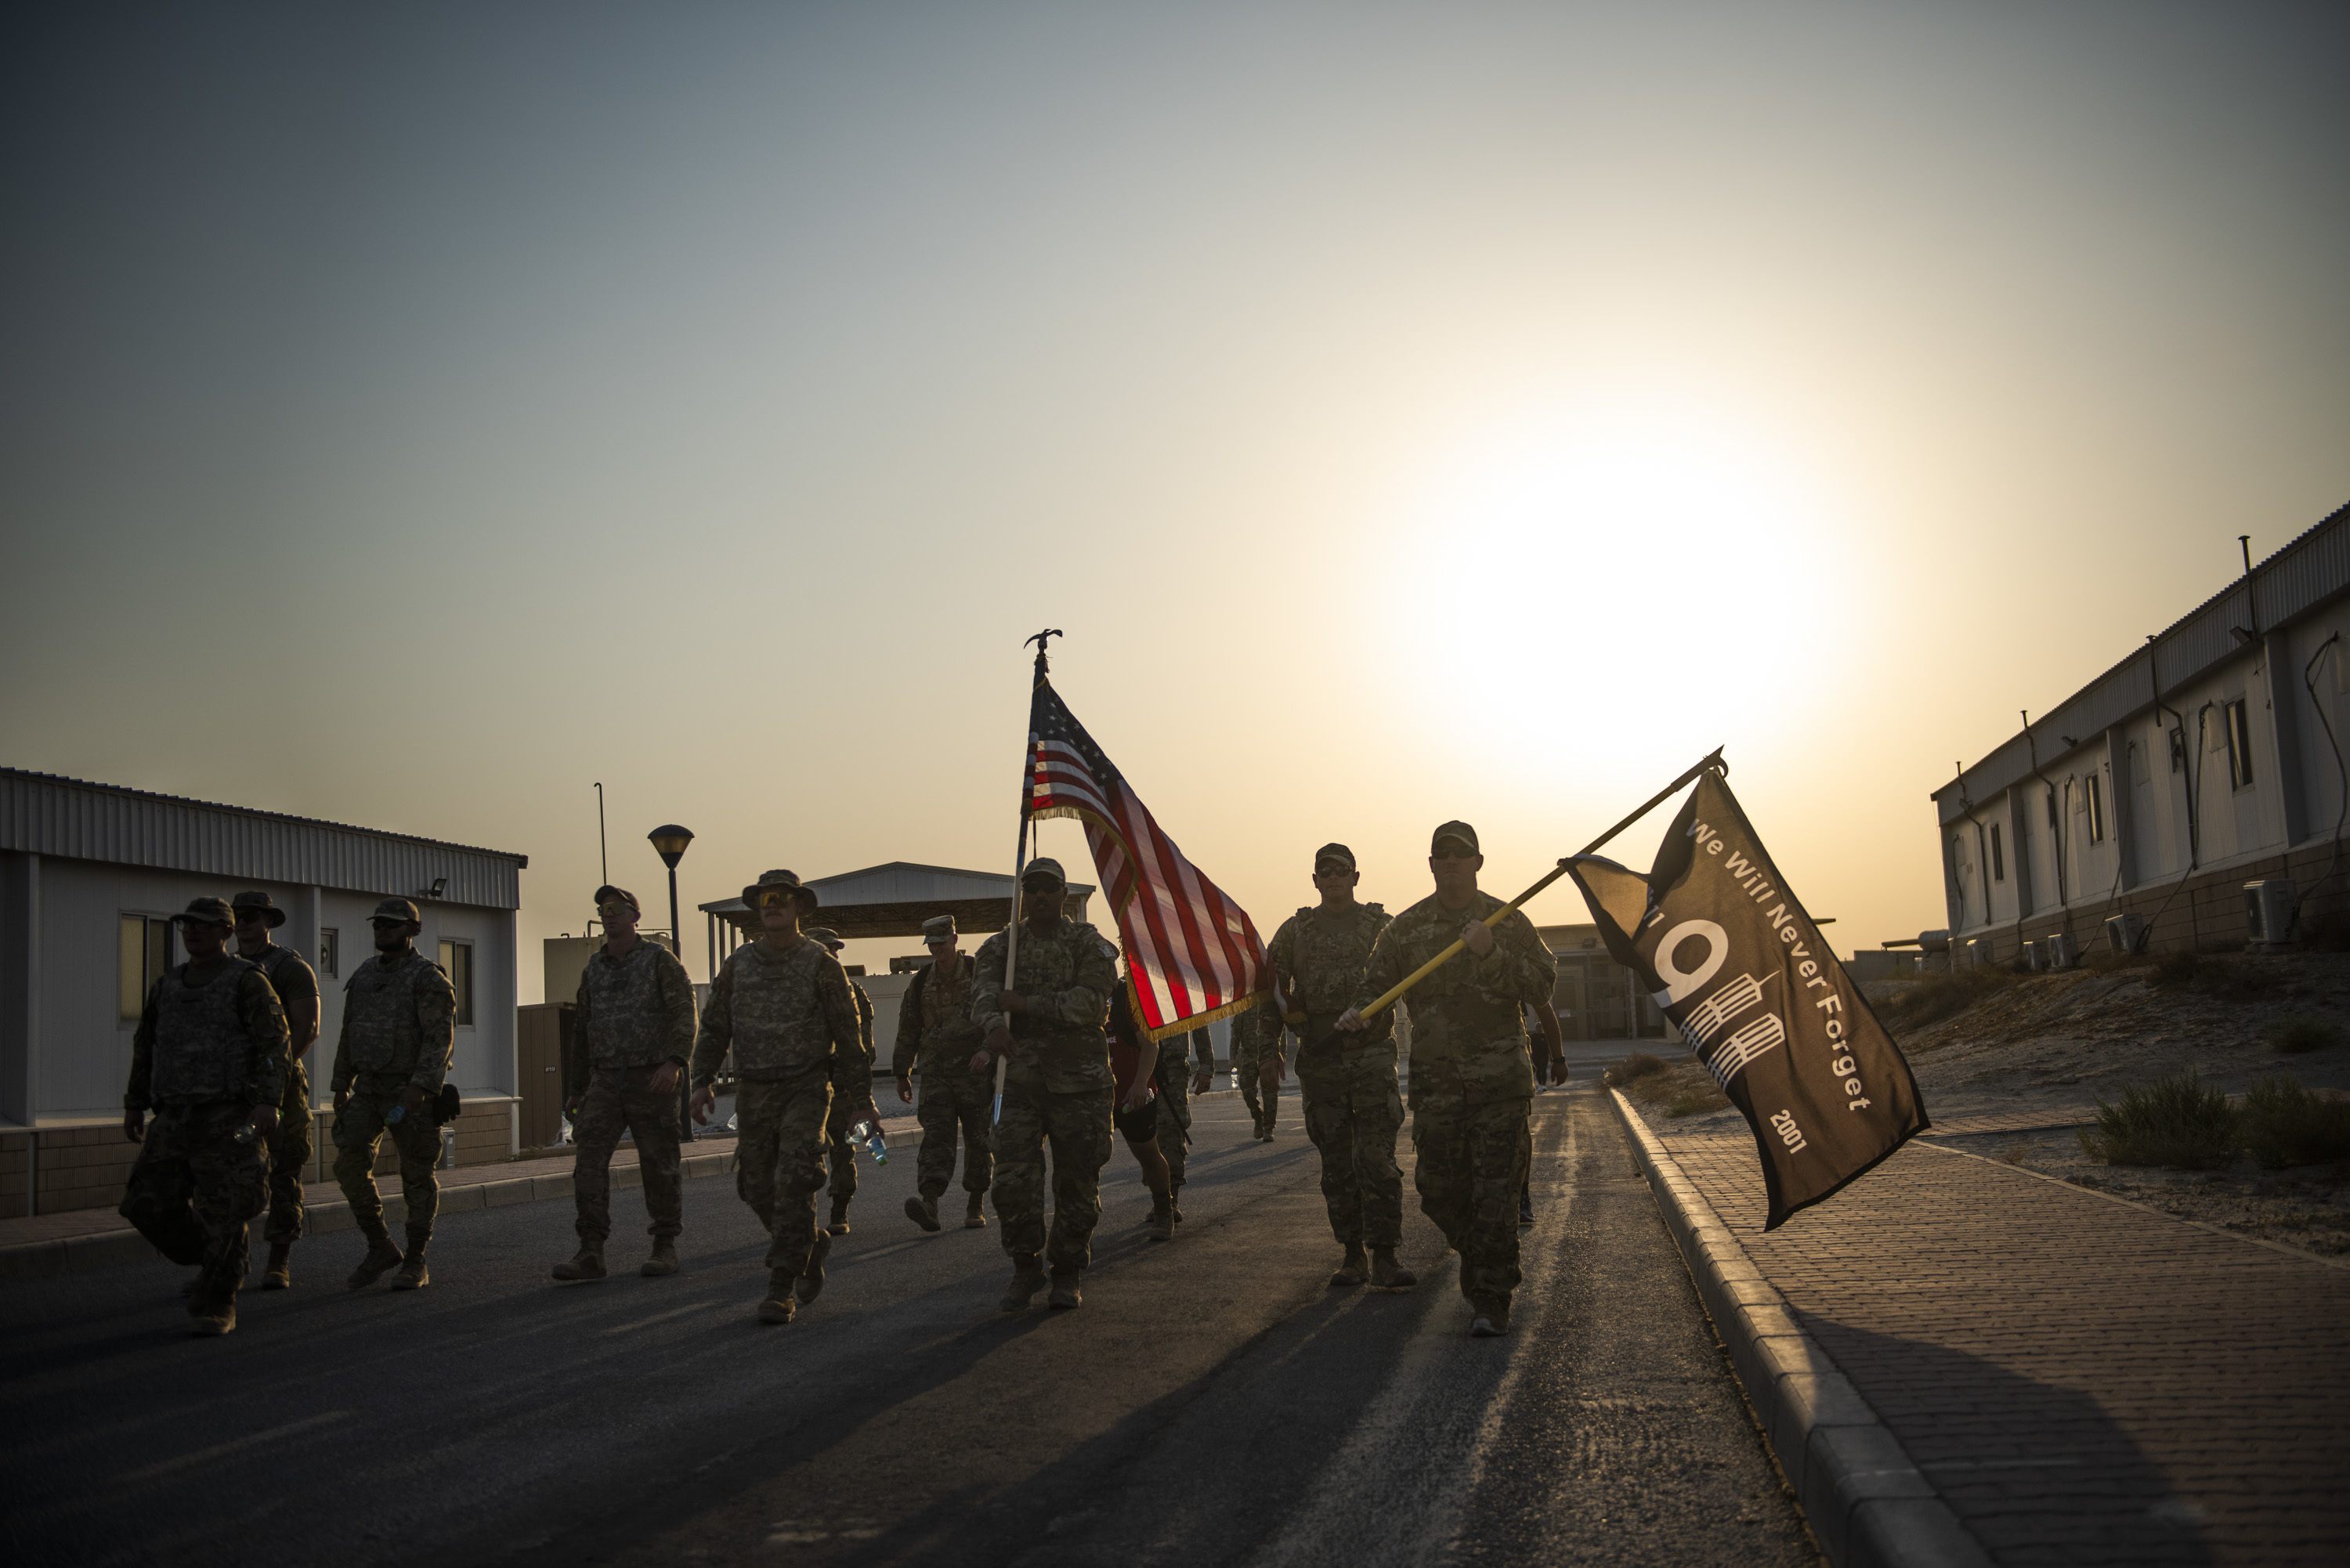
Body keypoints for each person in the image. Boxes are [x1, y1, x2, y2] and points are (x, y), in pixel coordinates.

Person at [1338, 822, 1554, 1337]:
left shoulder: (1507, 920)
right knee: (1436, 1188)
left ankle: (1491, 1298)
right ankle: (1485, 1256)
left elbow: (1543, 984)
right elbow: (1375, 989)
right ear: (1431, 864)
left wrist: (1491, 953)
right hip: (1436, 1086)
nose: (1452, 862)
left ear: (1478, 862)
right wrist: (1358, 1016)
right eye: (1443, 855)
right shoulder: (1405, 930)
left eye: (1462, 854)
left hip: (1500, 1084)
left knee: (1497, 1194)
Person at [689, 870, 862, 1325]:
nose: (772, 904)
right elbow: (714, 1026)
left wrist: (861, 1101)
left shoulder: (821, 963)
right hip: (753, 1089)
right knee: (755, 1187)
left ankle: (780, 1287)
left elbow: (849, 1036)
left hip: (806, 1085)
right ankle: (808, 1244)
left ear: (799, 906)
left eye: (781, 898)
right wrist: (701, 1079)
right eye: (765, 898)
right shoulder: (739, 964)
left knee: (794, 1181)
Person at [119, 898, 291, 1336]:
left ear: (225, 933)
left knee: (226, 1210)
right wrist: (135, 1102)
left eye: (203, 925)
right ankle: (221, 1255)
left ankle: (218, 1301)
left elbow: (275, 1044)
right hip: (174, 1114)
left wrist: (268, 1102)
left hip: (229, 1113)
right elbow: (146, 1044)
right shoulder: (168, 985)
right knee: (145, 1204)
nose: (191, 932)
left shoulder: (247, 981)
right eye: (186, 925)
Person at [970, 857, 1118, 1311]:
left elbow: (1093, 1003)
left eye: (1048, 888)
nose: (1038, 895)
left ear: (1063, 894)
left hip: (1081, 1083)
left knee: (1077, 1181)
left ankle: (1068, 1270)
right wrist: (994, 1023)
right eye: (1030, 887)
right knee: (1012, 1180)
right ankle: (1025, 1265)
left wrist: (1027, 1005)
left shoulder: (1086, 942)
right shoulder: (1002, 946)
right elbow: (981, 994)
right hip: (1017, 1082)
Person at [1266, 844, 1415, 1290]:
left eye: (1341, 871)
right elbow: (1269, 997)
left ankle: (1385, 1255)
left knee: (1377, 1159)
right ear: (1314, 880)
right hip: (1322, 1062)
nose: (1333, 878)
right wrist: (1267, 1053)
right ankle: (1352, 1255)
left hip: (1371, 1059)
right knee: (1337, 1164)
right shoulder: (1295, 932)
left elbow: (1412, 981)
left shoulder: (1382, 928)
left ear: (1355, 877)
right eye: (1324, 871)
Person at [554, 885, 696, 1282]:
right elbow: (582, 1029)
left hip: (653, 1077)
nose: (608, 914)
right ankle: (591, 1251)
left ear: (635, 915)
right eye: (603, 909)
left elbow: (685, 1013)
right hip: (605, 1079)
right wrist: (577, 1087)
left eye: (616, 908)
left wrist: (674, 1063)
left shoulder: (659, 961)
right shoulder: (594, 968)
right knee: (588, 1160)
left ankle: (664, 1245)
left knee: (659, 1163)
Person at [331, 897, 457, 1292]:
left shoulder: (428, 978)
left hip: (408, 1093)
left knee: (417, 1174)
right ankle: (380, 1245)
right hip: (367, 1089)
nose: (383, 930)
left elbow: (440, 1040)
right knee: (349, 1165)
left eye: (392, 924)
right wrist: (341, 1084)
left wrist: (420, 1087)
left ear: (413, 930)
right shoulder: (365, 974)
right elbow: (349, 1030)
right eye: (379, 925)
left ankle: (416, 1259)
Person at [230, 891, 320, 1290]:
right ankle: (227, 1262)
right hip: (231, 1090)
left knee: (283, 1172)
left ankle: (279, 1260)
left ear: (268, 921)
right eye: (237, 916)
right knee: (225, 1176)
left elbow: (306, 1028)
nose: (243, 922)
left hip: (279, 1087)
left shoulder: (290, 967)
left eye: (251, 916)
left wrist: (273, 1078)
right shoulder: (222, 968)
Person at [891, 914, 992, 1232]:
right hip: (936, 1073)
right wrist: (901, 1073)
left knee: (978, 1138)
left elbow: (999, 1015)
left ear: (954, 940)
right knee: (936, 1136)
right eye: (931, 944)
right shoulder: (921, 981)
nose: (936, 949)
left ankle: (975, 1203)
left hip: (975, 1074)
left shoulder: (979, 973)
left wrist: (988, 1049)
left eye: (941, 942)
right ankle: (930, 1202)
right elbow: (908, 1028)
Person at [802, 927, 878, 1236]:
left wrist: (853, 1086)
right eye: (827, 950)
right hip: (805, 1090)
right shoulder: (794, 993)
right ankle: (803, 1217)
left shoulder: (854, 992)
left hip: (841, 1089)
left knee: (843, 1153)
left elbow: (864, 1047)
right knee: (802, 1155)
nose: (833, 955)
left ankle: (838, 1211)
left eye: (835, 950)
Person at [1108, 975, 1178, 1241]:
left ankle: (1164, 1208)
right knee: (1083, 1161)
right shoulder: (1072, 998)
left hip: (1131, 1095)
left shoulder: (1126, 998)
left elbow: (1151, 1044)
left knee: (1148, 1154)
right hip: (1091, 1096)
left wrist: (1140, 1084)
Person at [1520, 996, 1565, 1224]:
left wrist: (1558, 1058)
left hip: (1505, 1062)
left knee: (1518, 1130)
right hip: (1452, 1065)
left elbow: (1543, 1007)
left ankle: (1521, 1195)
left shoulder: (1511, 959)